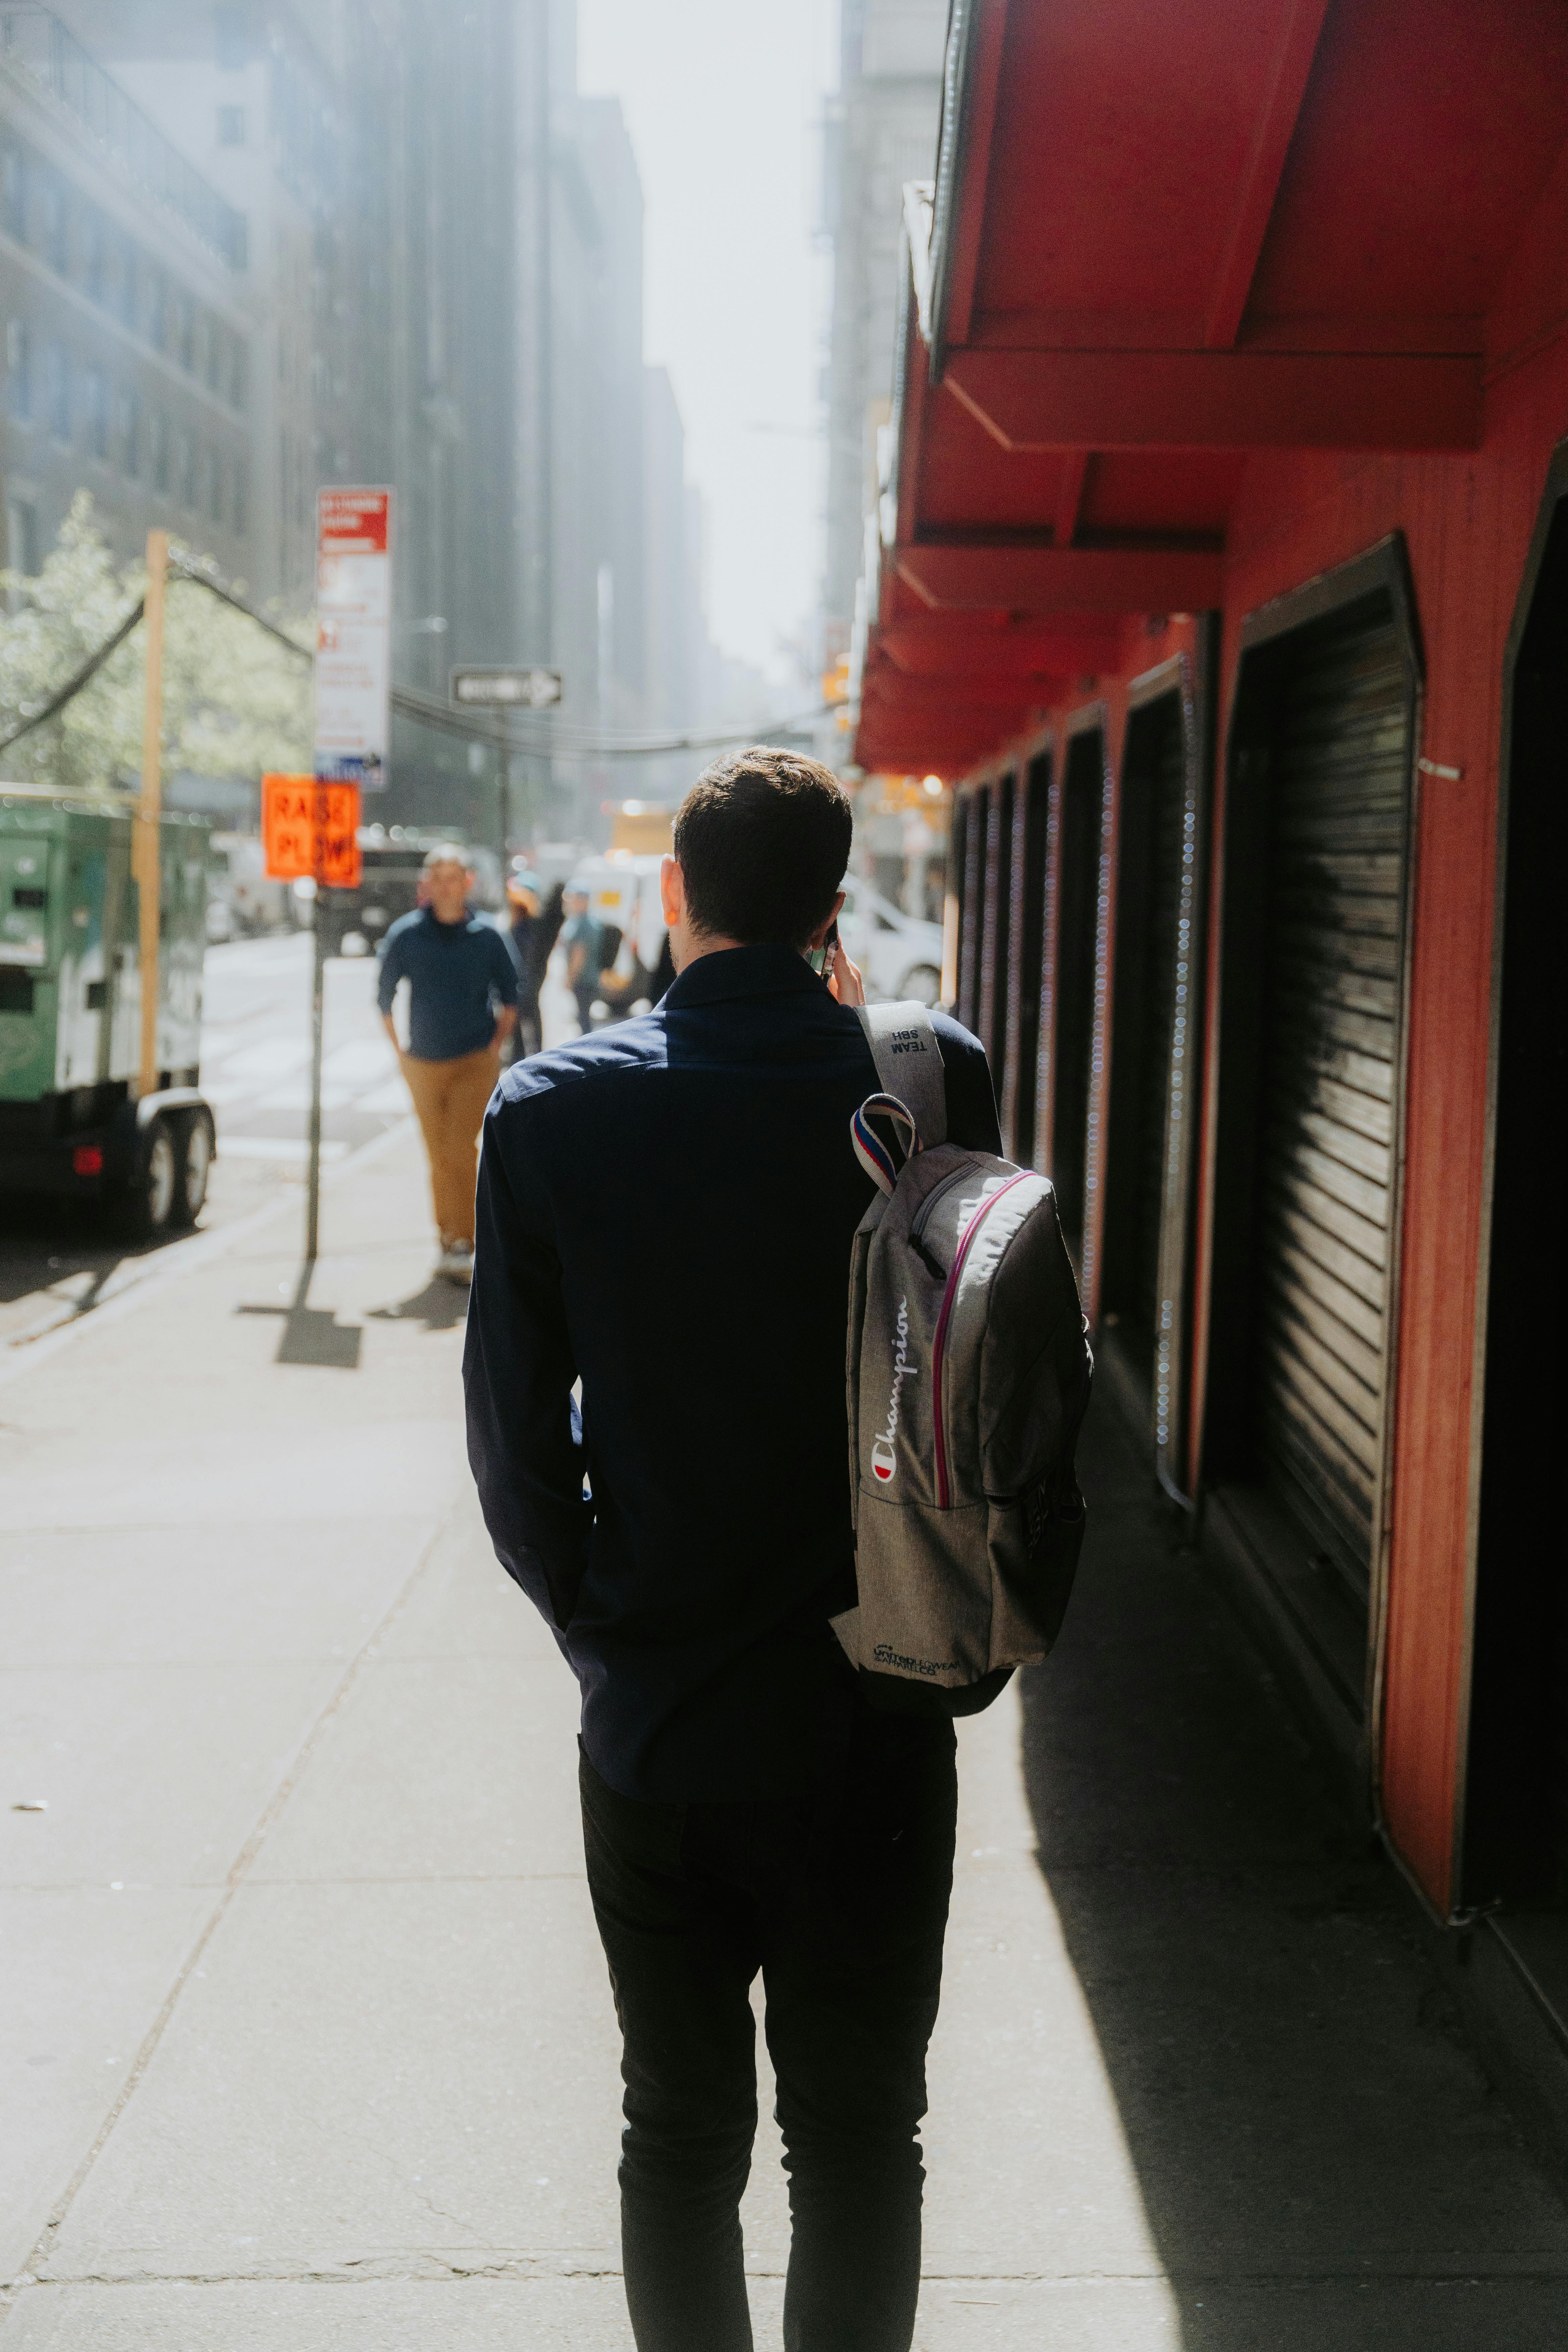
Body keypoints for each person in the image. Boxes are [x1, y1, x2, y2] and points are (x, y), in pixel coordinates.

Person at [463, 748, 1002, 2352]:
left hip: (662, 1714)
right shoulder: (931, 1074)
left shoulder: (554, 1109)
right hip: (881, 1701)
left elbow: (509, 1442)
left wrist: (602, 1626)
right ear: (833, 907)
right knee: (857, 2140)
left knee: (678, 2132)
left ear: (671, 894)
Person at [378, 843, 519, 1283]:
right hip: (422, 1062)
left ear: (468, 882)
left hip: (474, 1060)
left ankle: (464, 1243)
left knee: (460, 1149)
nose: (445, 886)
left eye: (454, 877)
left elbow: (512, 997)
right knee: (439, 1156)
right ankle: (448, 1241)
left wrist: (494, 1047)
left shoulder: (488, 935)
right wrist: (400, 1051)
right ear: (427, 885)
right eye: (437, 878)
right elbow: (384, 997)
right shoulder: (406, 935)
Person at [504, 865, 565, 1060]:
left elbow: (554, 912)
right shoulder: (517, 924)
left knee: (528, 1012)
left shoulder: (538, 925)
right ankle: (521, 1055)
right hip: (520, 980)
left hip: (531, 979)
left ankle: (532, 1054)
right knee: (521, 1015)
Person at [559, 882, 605, 1036]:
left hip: (584, 979)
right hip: (589, 978)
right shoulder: (585, 921)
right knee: (583, 1016)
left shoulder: (584, 924)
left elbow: (580, 954)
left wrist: (570, 978)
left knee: (584, 1019)